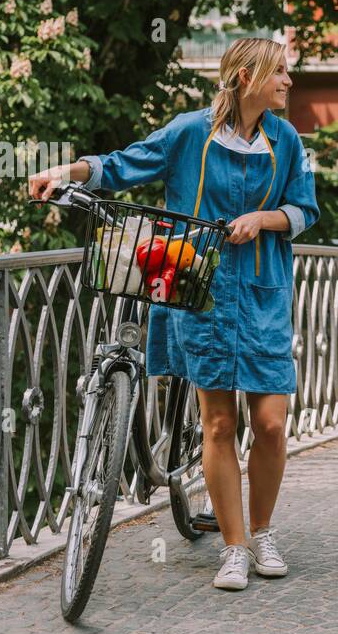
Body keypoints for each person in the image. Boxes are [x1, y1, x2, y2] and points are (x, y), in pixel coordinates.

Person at [28, 37, 320, 592]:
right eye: (279, 72)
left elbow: (306, 209)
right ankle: (233, 548)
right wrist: (68, 170)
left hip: (262, 291)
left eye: (287, 73)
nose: (288, 81)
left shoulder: (286, 140)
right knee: (219, 422)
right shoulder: (191, 132)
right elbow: (124, 163)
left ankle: (263, 532)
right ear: (245, 78)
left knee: (272, 424)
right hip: (198, 288)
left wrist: (265, 219)